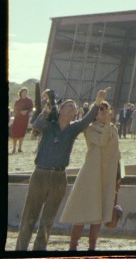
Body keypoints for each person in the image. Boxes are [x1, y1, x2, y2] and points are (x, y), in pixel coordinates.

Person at [15, 87, 107, 252]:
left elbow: (87, 119)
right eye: (69, 105)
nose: (73, 108)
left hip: (59, 176)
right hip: (40, 174)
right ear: (60, 110)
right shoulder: (49, 126)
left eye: (74, 107)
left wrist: (98, 100)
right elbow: (36, 125)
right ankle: (20, 250)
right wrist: (45, 111)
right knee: (29, 216)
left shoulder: (73, 130)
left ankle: (39, 251)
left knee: (48, 220)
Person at [61, 98, 121, 253]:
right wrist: (107, 124)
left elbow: (118, 153)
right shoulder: (90, 129)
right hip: (91, 174)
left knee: (99, 213)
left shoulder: (113, 128)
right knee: (82, 211)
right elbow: (102, 141)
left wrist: (120, 175)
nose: (104, 112)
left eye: (106, 109)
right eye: (101, 109)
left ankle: (92, 247)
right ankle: (73, 247)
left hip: (107, 176)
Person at [10, 87, 34, 153]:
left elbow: (31, 108)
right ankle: (14, 148)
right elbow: (15, 110)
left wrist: (26, 111)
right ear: (20, 93)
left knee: (22, 133)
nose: (25, 94)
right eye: (23, 92)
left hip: (25, 119)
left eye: (26, 93)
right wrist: (20, 112)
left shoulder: (29, 101)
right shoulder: (17, 101)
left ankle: (20, 148)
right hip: (17, 118)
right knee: (15, 133)